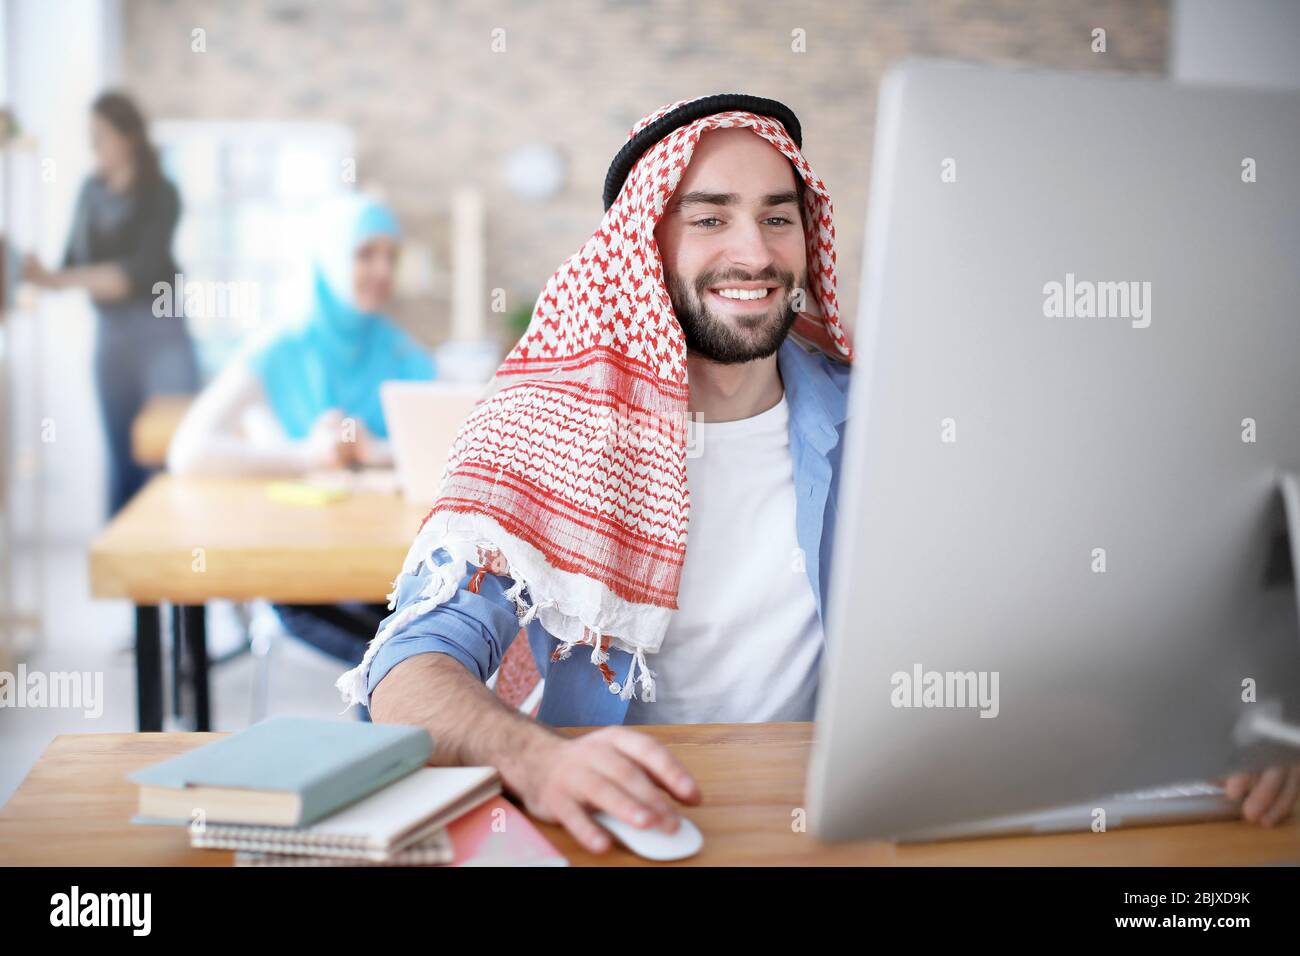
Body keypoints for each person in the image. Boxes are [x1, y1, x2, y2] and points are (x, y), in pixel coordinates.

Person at [344, 95, 1300, 853]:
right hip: (622, 832)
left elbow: (1077, 601)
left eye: (777, 218)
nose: (752, 253)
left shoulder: (892, 418)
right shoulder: (544, 432)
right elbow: (407, 672)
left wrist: (1248, 722)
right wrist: (536, 761)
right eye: (708, 219)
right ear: (643, 251)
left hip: (843, 832)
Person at [167, 193, 435, 692]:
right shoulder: (279, 347)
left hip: (392, 563)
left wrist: (372, 450)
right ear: (330, 258)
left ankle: (404, 709)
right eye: (365, 254)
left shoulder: (403, 351)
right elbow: (189, 450)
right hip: (304, 573)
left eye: (390, 257)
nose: (381, 269)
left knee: (416, 639)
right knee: (406, 659)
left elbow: (445, 446)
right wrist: (305, 457)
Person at [23, 91, 199, 516]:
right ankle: (129, 575)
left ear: (130, 137)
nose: (93, 147)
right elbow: (69, 265)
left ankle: (174, 569)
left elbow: (133, 276)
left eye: (100, 137)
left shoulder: (162, 192)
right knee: (122, 456)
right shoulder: (89, 191)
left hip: (162, 328)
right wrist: (38, 274)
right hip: (111, 335)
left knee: (168, 452)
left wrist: (58, 280)